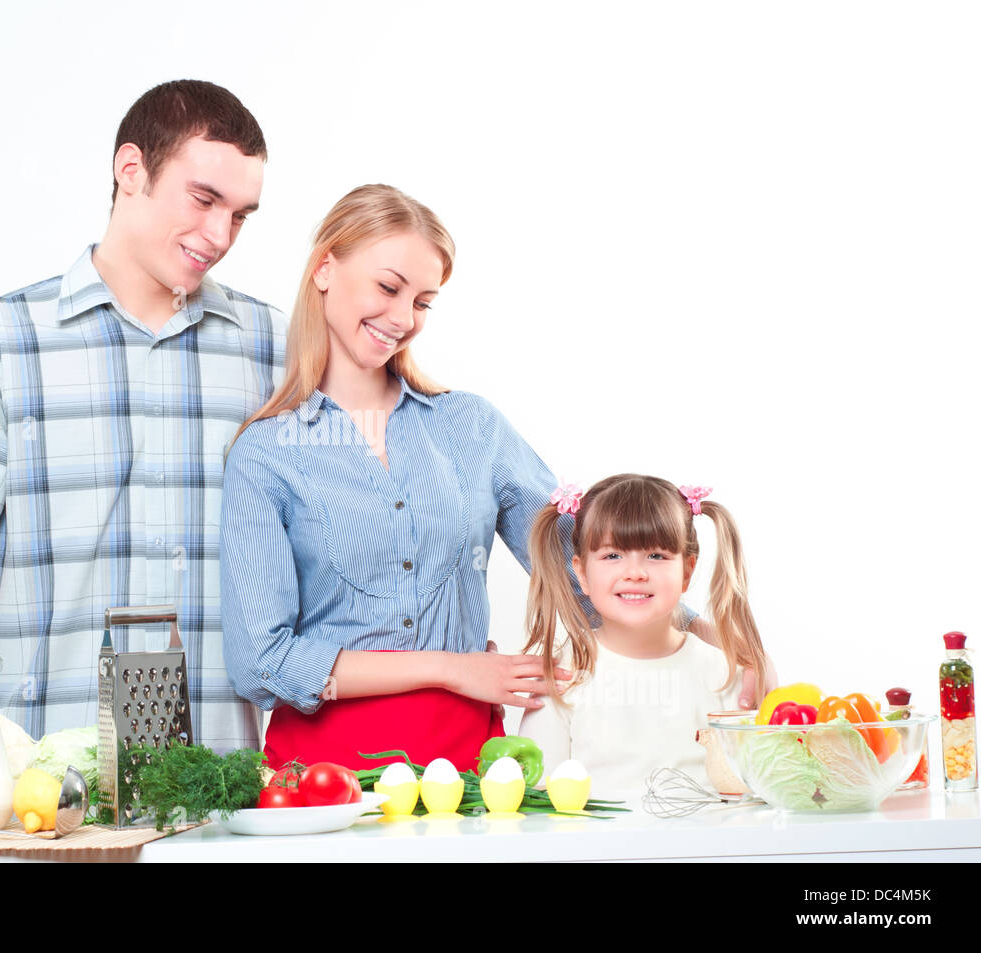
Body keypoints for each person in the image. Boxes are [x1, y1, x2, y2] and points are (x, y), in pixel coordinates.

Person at [0, 80, 287, 760]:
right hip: (37, 787)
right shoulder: (3, 340)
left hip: (217, 786)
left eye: (240, 215)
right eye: (204, 199)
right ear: (131, 171)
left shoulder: (274, 348)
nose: (220, 235)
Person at [222, 185, 641, 772]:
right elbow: (260, 662)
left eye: (423, 301)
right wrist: (451, 667)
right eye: (388, 288)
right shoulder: (266, 454)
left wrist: (715, 639)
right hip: (322, 779)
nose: (403, 318)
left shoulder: (471, 427)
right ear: (324, 269)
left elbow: (590, 569)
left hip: (468, 766)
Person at [517, 474, 771, 800]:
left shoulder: (724, 675)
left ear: (687, 572)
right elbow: (535, 795)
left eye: (656, 556)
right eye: (612, 556)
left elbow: (754, 791)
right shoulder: (560, 676)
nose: (635, 572)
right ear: (581, 573)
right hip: (591, 850)